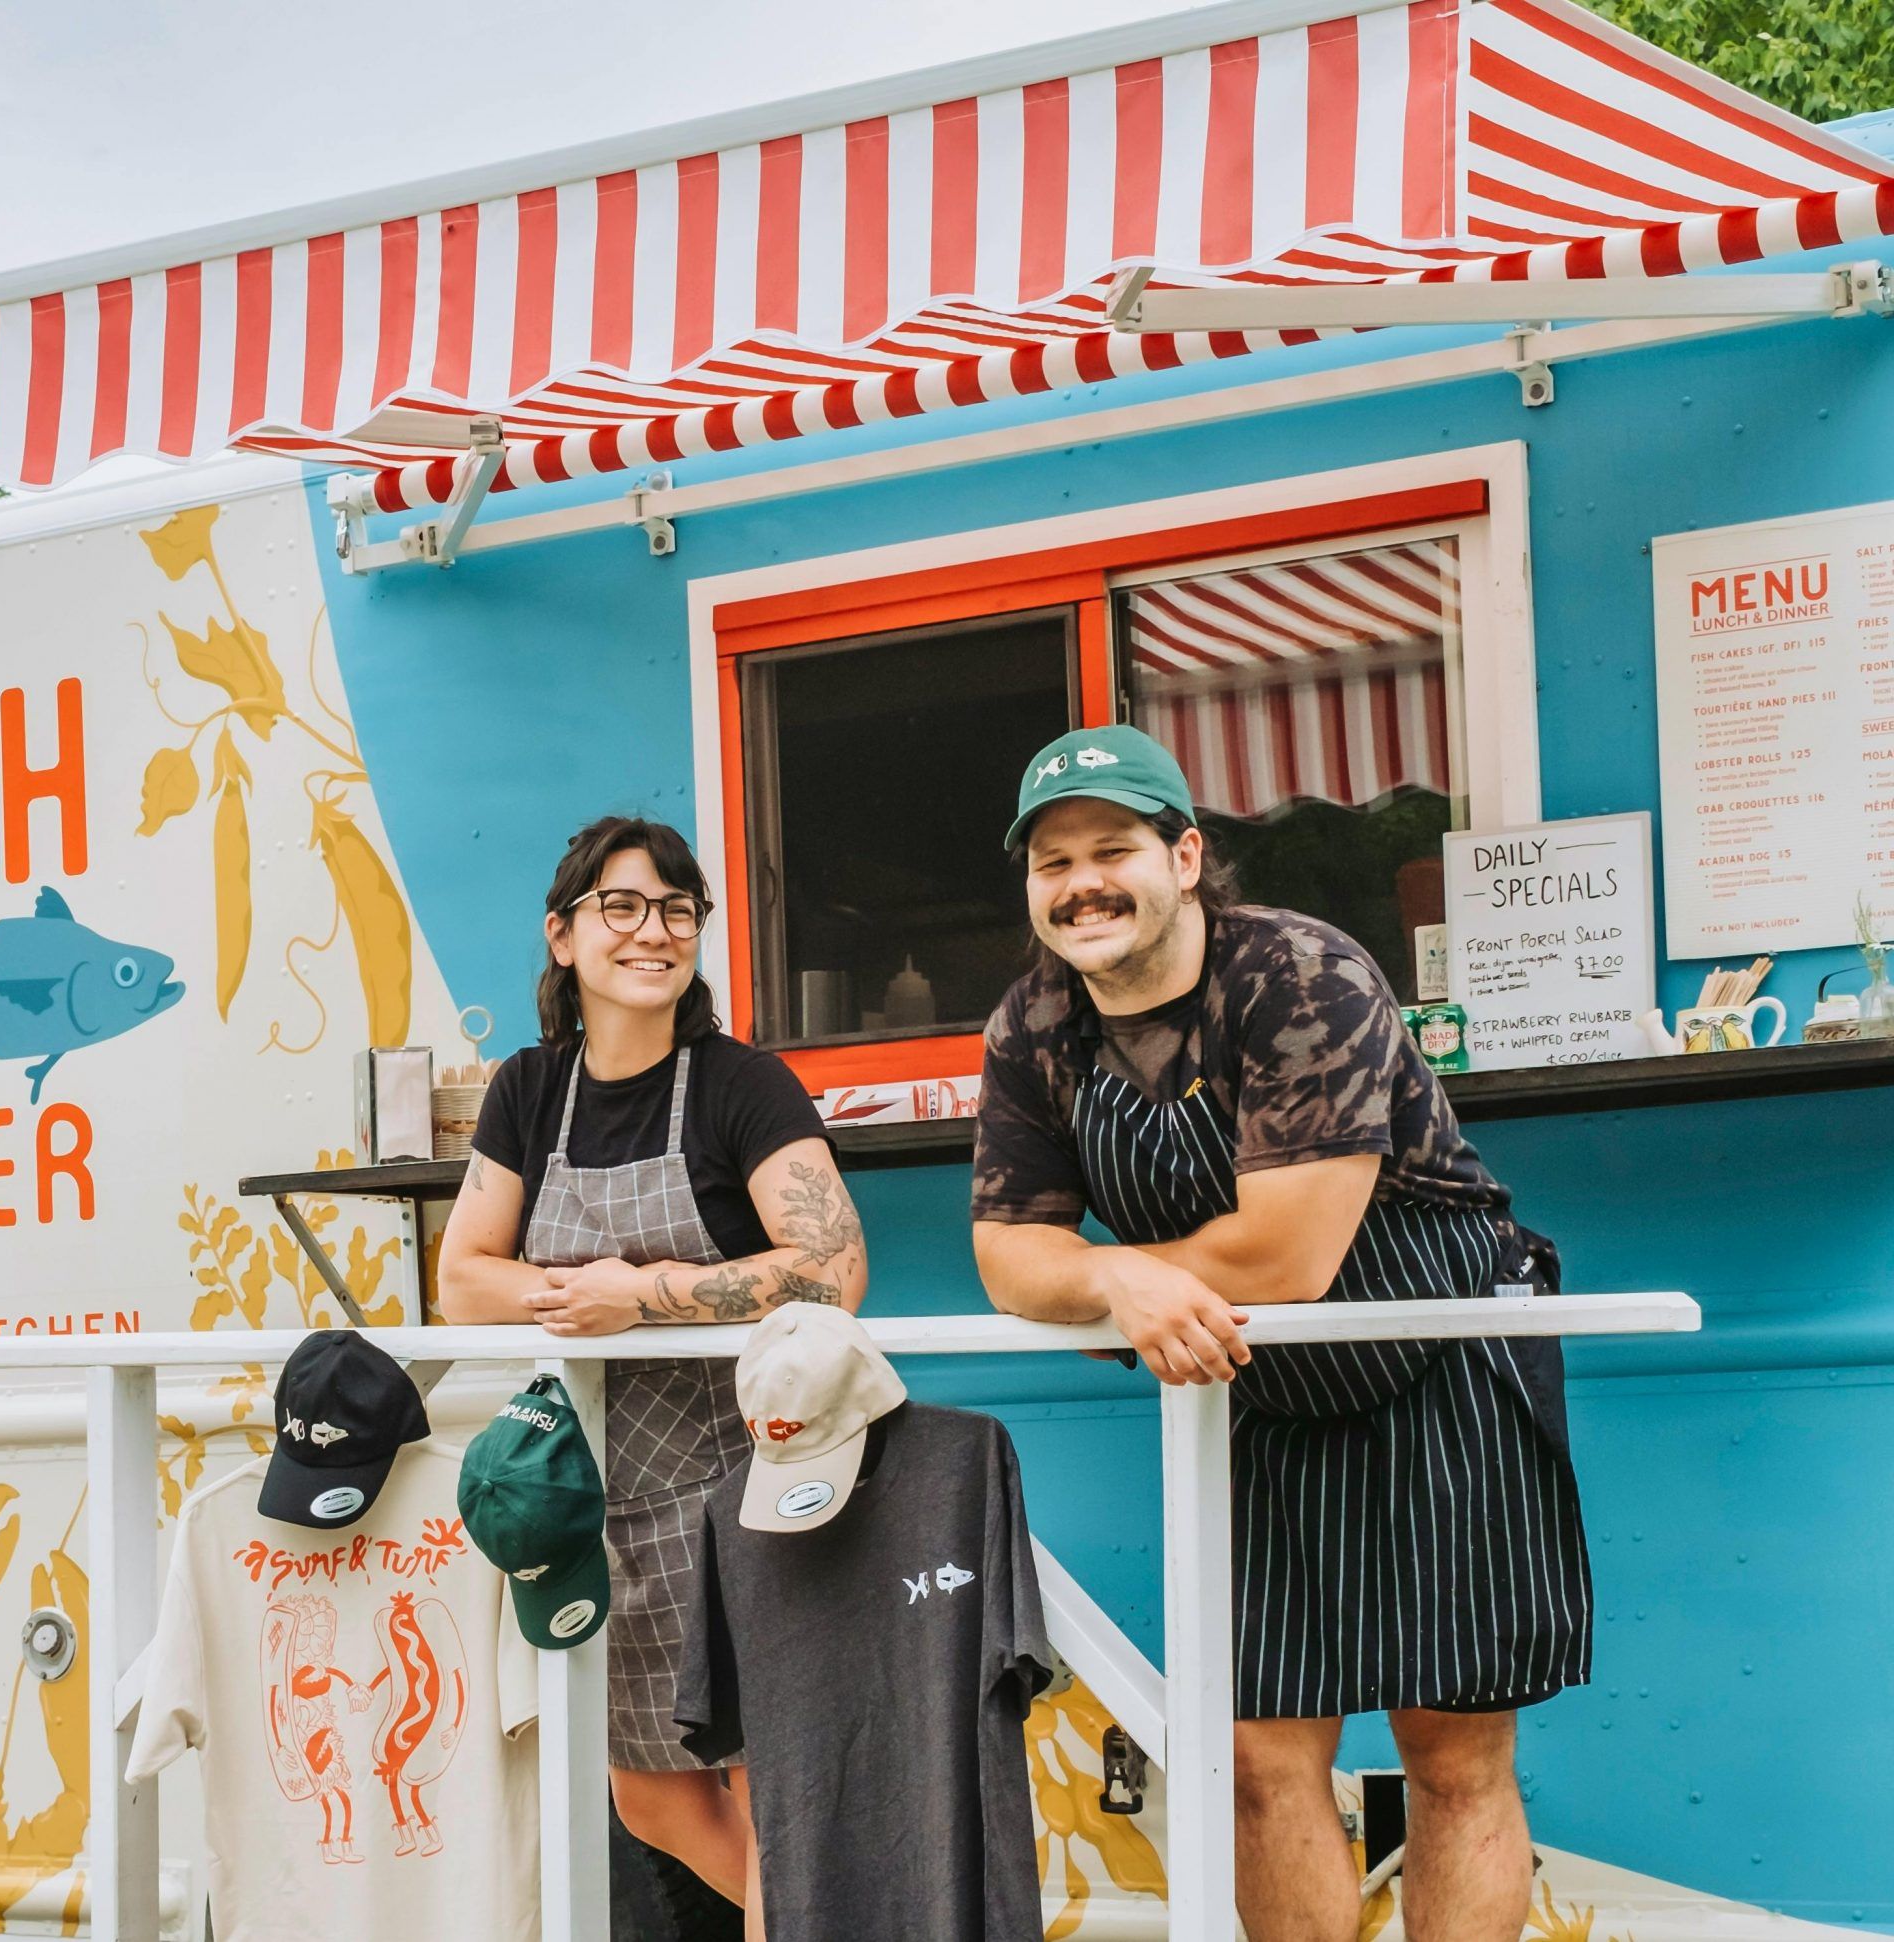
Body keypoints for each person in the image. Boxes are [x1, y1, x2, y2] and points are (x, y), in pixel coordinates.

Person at [968, 726, 1589, 1942]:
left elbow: (1284, 1256)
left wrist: (1109, 1283)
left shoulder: (1300, 975)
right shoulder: (1034, 1022)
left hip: (1441, 1360)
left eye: (1112, 848)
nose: (1082, 882)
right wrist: (1117, 1283)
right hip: (1250, 1390)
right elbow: (1006, 1257)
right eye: (1052, 861)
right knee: (1255, 1755)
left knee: (1449, 1758)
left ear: (1185, 855)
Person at [438, 814, 869, 1931]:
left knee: (776, 1793)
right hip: (605, 1497)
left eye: (677, 909)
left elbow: (834, 1267)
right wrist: (569, 1300)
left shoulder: (740, 1084)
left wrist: (638, 1295)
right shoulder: (528, 1090)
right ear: (562, 936)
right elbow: (462, 1279)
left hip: (750, 1484)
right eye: (620, 906)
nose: (653, 930)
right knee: (654, 1798)